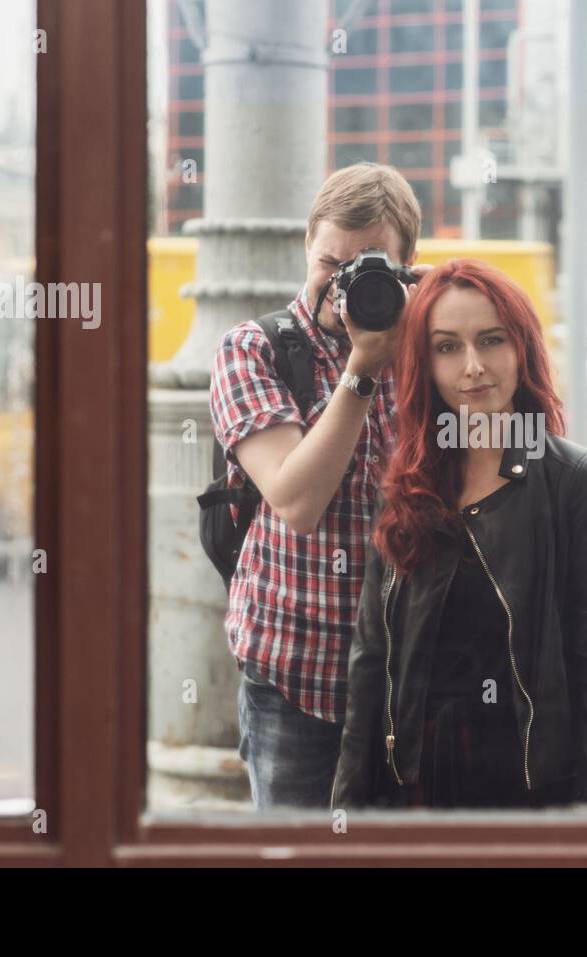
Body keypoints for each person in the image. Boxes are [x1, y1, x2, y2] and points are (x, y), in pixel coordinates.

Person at [331, 259, 587, 810]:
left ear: (523, 348)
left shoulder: (571, 481)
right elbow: (371, 658)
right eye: (447, 347)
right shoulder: (406, 483)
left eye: (491, 340)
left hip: (527, 787)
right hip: (413, 785)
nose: (473, 367)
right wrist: (346, 808)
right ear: (425, 362)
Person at [209, 162, 429, 809]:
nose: (342, 285)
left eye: (367, 268)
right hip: (295, 682)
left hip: (409, 683)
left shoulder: (428, 349)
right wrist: (362, 369)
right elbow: (296, 500)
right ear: (307, 242)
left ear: (407, 262)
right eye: (330, 262)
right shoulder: (254, 350)